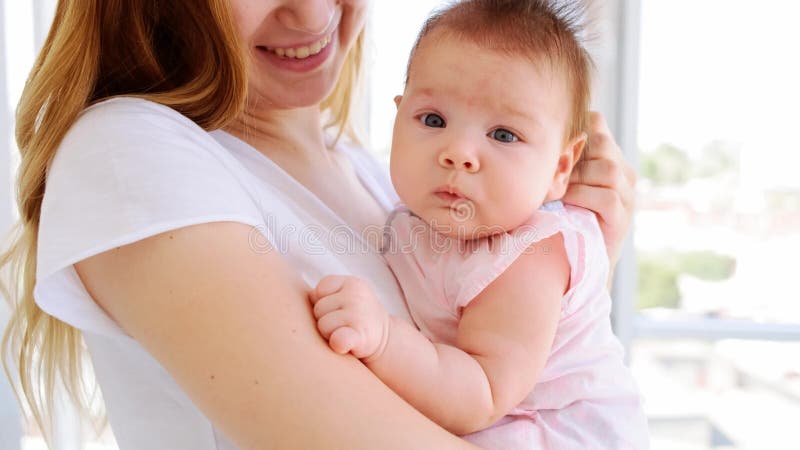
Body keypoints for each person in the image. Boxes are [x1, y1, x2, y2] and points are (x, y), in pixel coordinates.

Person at [1, 0, 636, 449]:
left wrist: (561, 276)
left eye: (504, 134)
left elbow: (501, 361)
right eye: (435, 119)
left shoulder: (376, 177)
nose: (310, 14)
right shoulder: (132, 151)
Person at [309, 1, 648, 448]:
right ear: (398, 116)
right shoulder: (415, 218)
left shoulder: (530, 257)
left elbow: (481, 394)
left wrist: (386, 337)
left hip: (554, 431)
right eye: (433, 120)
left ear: (560, 168)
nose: (459, 152)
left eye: (504, 135)